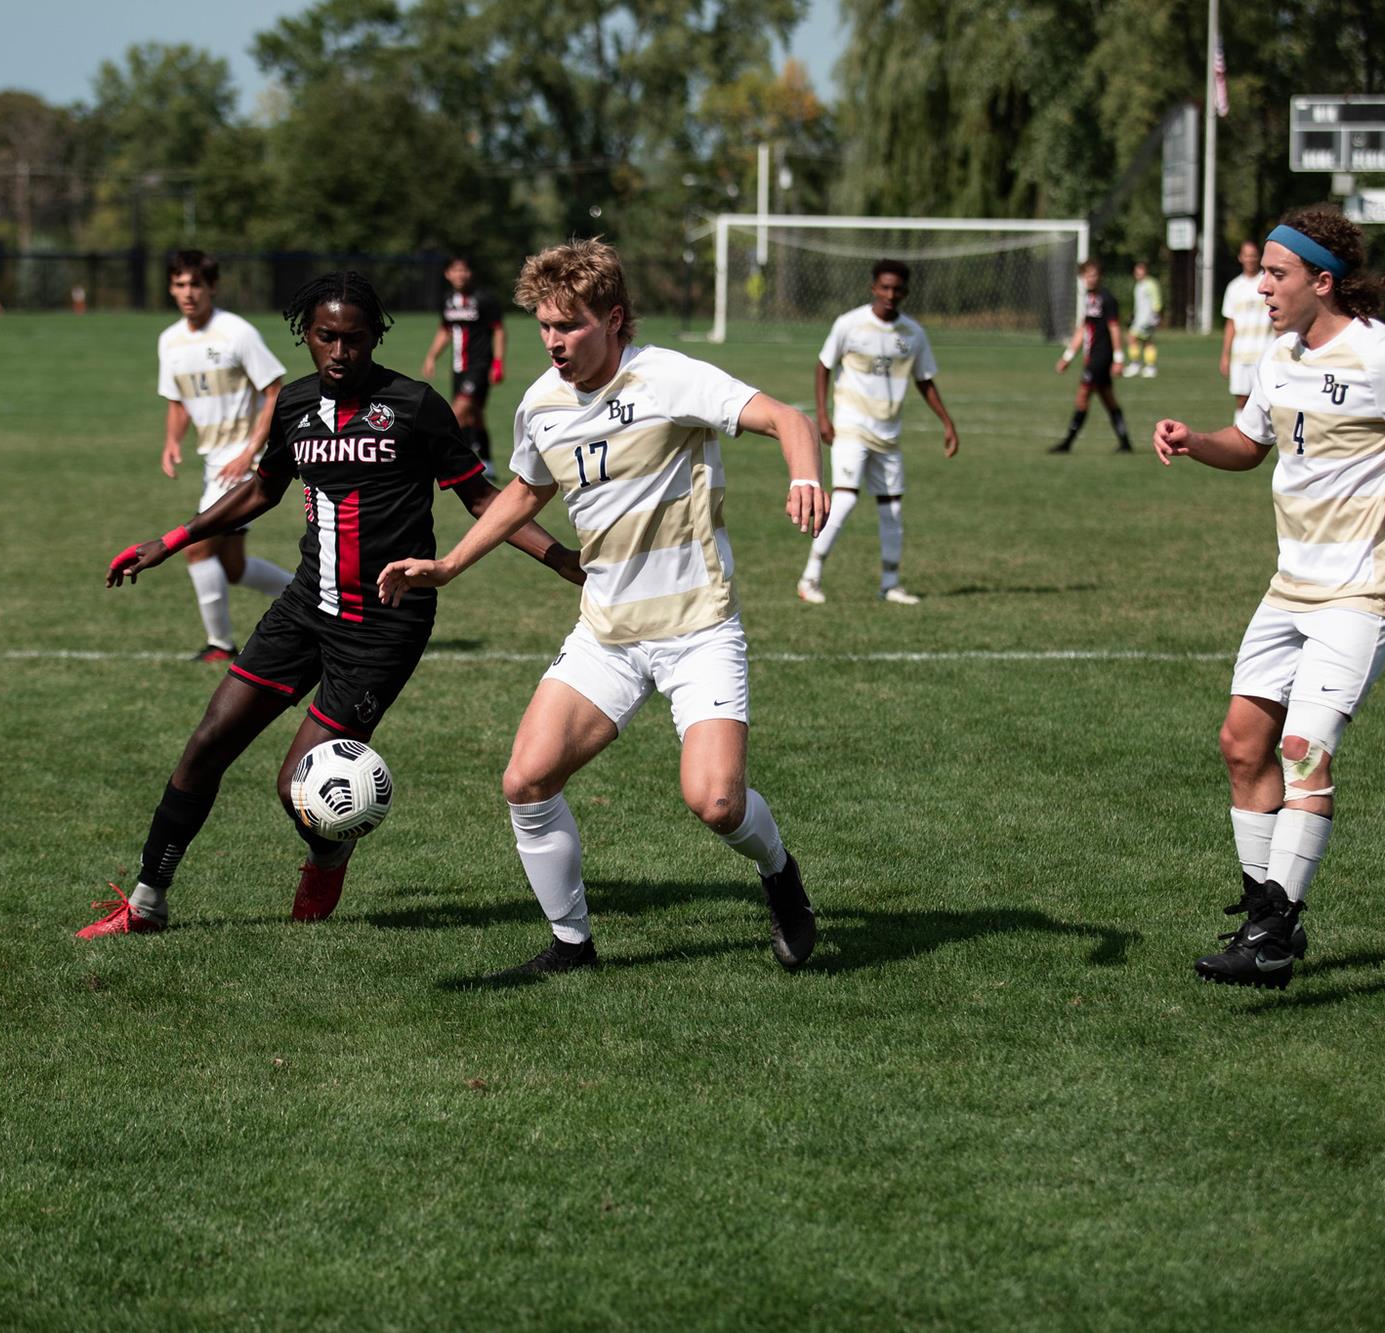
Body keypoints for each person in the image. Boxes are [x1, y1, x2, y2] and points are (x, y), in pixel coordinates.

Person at [79, 272, 584, 938]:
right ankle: (146, 901)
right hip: (304, 608)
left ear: (375, 337)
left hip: (383, 626)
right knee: (206, 744)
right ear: (307, 335)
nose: (339, 352)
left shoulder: (414, 406)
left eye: (353, 338)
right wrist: (174, 538)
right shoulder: (293, 405)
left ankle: (330, 850)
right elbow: (262, 490)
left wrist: (566, 563)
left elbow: (486, 499)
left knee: (299, 789)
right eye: (325, 337)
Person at [379, 239, 829, 978]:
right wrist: (451, 565)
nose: (554, 341)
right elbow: (525, 491)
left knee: (716, 802)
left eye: (570, 325)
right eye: (545, 327)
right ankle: (572, 945)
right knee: (525, 779)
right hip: (608, 634)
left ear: (614, 318)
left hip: (697, 630)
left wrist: (805, 474)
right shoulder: (540, 406)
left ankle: (779, 872)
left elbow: (787, 418)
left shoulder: (668, 378)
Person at [1151, 204, 1385, 990]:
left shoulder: (1384, 358)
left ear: (1322, 281)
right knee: (1243, 743)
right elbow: (1249, 445)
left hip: (1363, 591)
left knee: (1305, 750)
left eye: (1277, 274)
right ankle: (1262, 912)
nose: (1262, 286)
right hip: (1288, 587)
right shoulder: (1279, 356)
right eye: (1263, 272)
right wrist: (1192, 440)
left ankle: (1274, 929)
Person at [155, 250, 297, 661]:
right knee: (232, 568)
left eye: (196, 284)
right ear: (171, 288)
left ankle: (220, 646)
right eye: (180, 284)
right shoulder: (170, 340)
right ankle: (319, 605)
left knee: (196, 547)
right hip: (214, 462)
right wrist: (171, 442)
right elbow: (177, 402)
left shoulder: (237, 332)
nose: (188, 293)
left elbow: (275, 389)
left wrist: (252, 451)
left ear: (212, 287)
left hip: (242, 462)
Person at [796, 259, 959, 606]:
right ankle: (810, 577)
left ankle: (890, 583)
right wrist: (823, 416)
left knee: (892, 509)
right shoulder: (850, 324)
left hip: (889, 433)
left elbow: (924, 379)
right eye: (884, 287)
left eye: (897, 289)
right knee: (845, 499)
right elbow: (824, 365)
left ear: (906, 292)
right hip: (852, 426)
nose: (890, 294)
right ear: (873, 288)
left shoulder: (913, 334)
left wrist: (947, 422)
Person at [420, 255, 506, 474]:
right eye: (455, 270)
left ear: (471, 273)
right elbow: (445, 330)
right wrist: (431, 357)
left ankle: (443, 462)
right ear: (447, 274)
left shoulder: (484, 299)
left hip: (479, 365)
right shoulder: (448, 300)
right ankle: (487, 463)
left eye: (464, 270)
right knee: (474, 416)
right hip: (458, 367)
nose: (460, 275)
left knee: (457, 412)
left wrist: (497, 362)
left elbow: (498, 330)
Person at [1049, 260, 1131, 452]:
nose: (1090, 279)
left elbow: (1115, 329)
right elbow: (1082, 331)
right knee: (1108, 398)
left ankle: (1067, 443)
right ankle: (1125, 443)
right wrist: (1067, 357)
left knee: (1082, 396)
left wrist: (1119, 359)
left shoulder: (1107, 299)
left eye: (1094, 275)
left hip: (1101, 358)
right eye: (1087, 275)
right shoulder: (1089, 299)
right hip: (1092, 357)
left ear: (1100, 276)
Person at [1219, 240, 1268, 411]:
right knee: (1241, 401)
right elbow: (1230, 323)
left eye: (1253, 255)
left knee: (1265, 400)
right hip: (1241, 354)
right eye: (1246, 255)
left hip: (1264, 353)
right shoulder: (1234, 287)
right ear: (1240, 258)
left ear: (1259, 257)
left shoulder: (1267, 282)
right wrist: (1225, 355)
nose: (1250, 259)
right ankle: (1239, 434)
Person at [1123, 260, 1162, 378]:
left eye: (1140, 270)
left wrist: (1155, 315)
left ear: (1146, 271)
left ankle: (1136, 365)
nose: (1138, 273)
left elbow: (1157, 300)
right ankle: (1150, 367)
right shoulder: (1139, 285)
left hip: (1147, 319)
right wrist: (1134, 314)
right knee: (1147, 342)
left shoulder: (1151, 284)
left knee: (1131, 338)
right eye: (1136, 271)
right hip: (1140, 318)